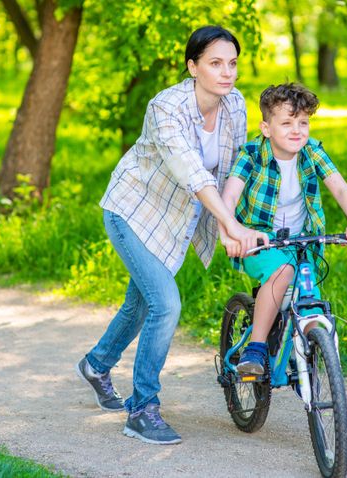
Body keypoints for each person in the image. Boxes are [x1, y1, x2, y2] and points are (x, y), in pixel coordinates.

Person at [75, 26, 267, 445]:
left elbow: (232, 169)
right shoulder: (166, 107)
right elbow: (191, 172)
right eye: (215, 63)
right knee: (166, 303)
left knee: (140, 303)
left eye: (232, 63)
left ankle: (97, 364)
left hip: (176, 219)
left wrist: (233, 221)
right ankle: (142, 409)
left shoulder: (234, 105)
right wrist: (228, 225)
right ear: (192, 66)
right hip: (132, 211)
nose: (227, 72)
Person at [220, 83, 347, 375]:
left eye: (303, 122)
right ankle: (257, 347)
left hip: (303, 242)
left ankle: (309, 351)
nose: (297, 130)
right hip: (258, 241)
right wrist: (233, 232)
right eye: (286, 122)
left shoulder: (312, 152)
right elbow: (229, 196)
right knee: (283, 271)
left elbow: (340, 189)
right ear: (266, 128)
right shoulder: (251, 154)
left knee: (308, 298)